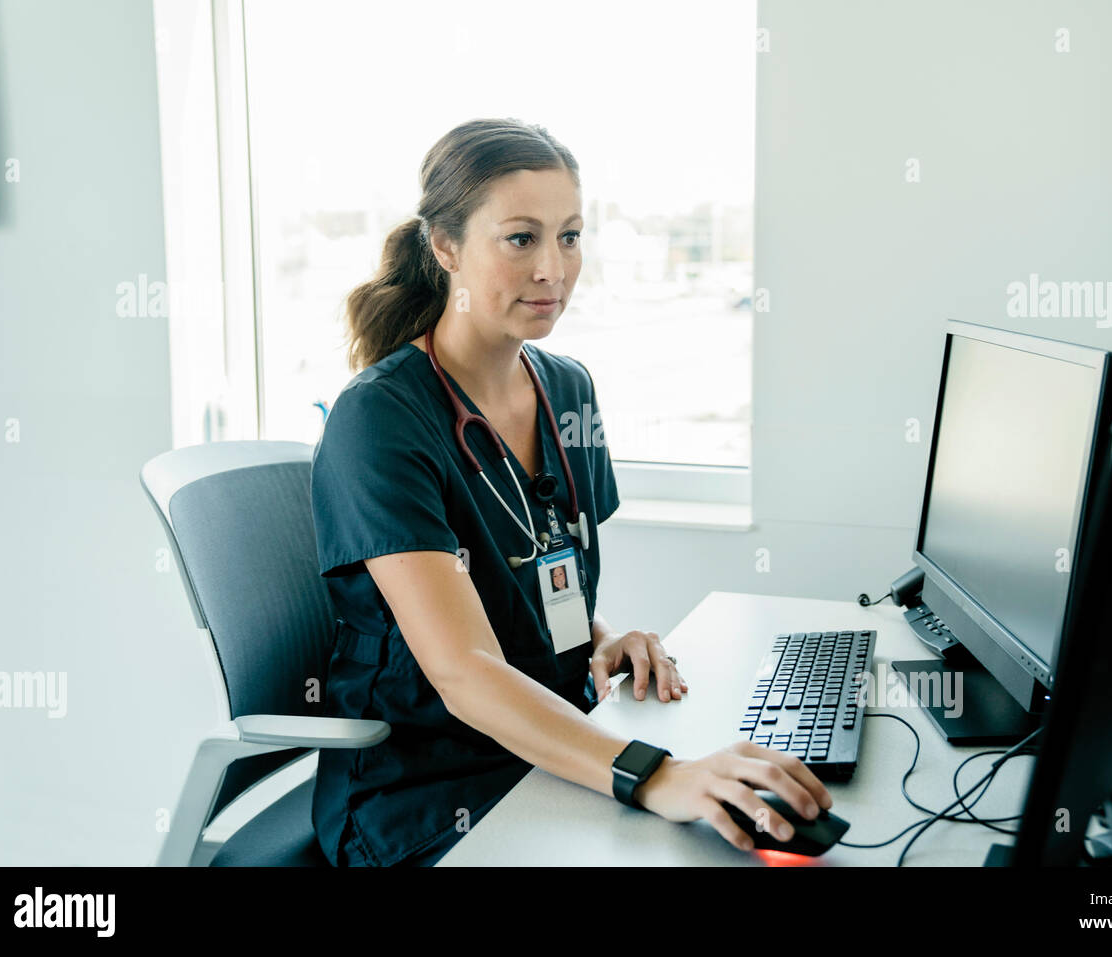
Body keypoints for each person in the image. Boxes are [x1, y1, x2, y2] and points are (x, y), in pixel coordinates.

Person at [309, 118, 832, 867]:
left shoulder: (567, 391)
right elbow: (464, 671)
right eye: (521, 238)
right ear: (445, 246)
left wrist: (602, 638)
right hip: (426, 793)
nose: (554, 269)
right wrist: (655, 774)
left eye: (572, 235)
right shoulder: (381, 419)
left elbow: (537, 577)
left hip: (553, 746)